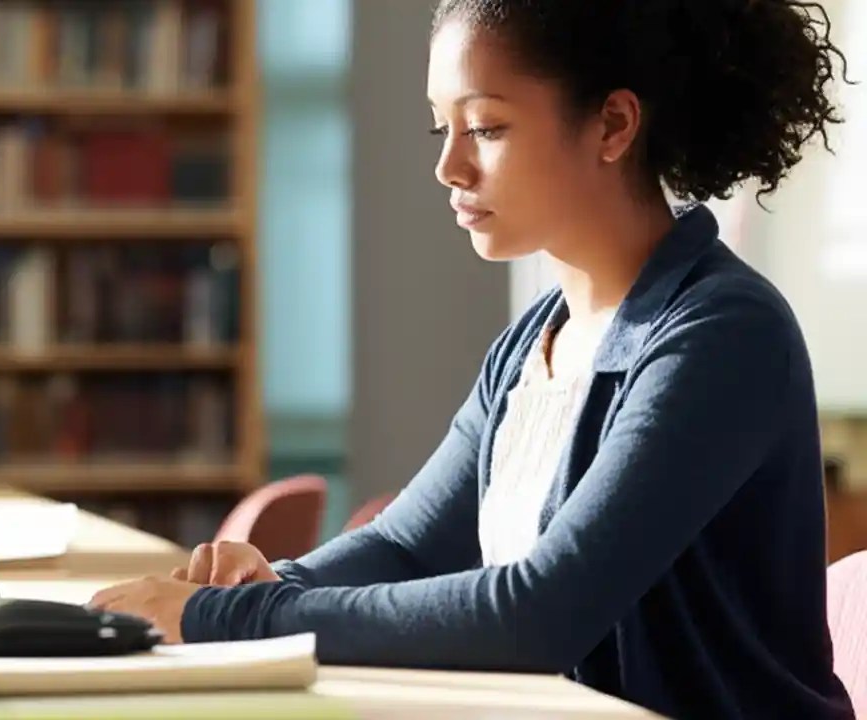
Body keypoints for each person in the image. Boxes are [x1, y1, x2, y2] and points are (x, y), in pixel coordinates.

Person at [89, 1, 856, 717]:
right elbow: (406, 545)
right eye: (439, 130)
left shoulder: (721, 333)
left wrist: (224, 616)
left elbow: (535, 615)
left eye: (486, 128)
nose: (449, 168)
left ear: (613, 125)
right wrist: (270, 582)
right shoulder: (534, 342)